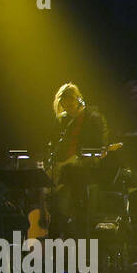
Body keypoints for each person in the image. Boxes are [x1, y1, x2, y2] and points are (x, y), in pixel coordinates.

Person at [49, 82, 110, 236]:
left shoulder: (93, 119)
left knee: (71, 214)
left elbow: (100, 149)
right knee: (55, 213)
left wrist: (82, 160)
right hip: (62, 173)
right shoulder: (62, 121)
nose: (68, 105)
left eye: (71, 100)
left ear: (78, 100)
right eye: (64, 101)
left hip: (83, 175)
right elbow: (54, 146)